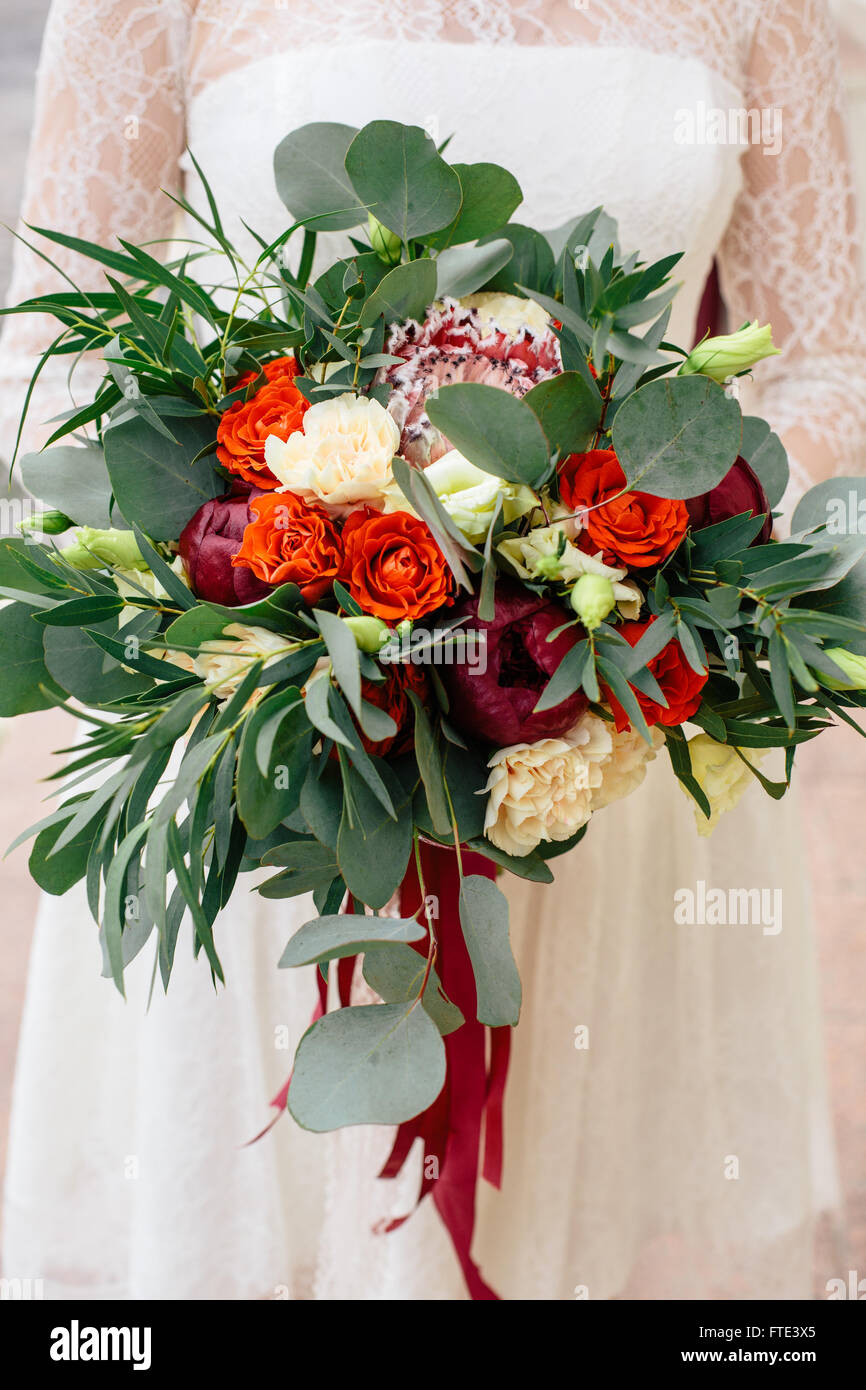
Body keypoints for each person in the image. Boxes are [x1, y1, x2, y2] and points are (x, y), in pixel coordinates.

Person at [1, 0, 865, 1300]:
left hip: (610, 724)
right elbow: (51, 366)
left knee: (585, 1227)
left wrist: (642, 556)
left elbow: (831, 367)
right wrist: (280, 578)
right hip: (276, 757)